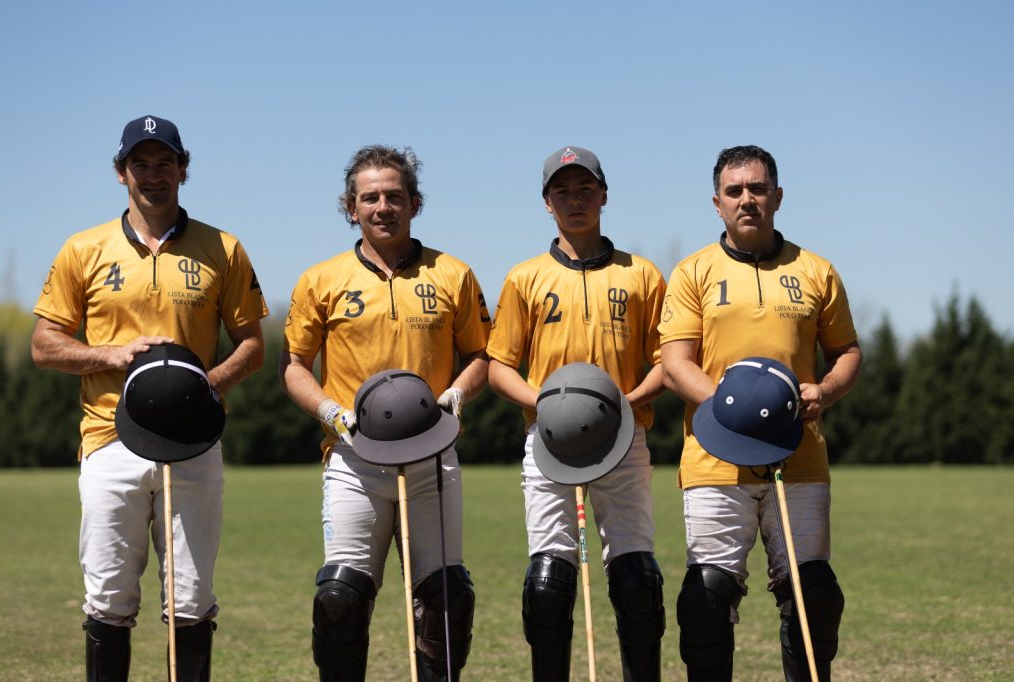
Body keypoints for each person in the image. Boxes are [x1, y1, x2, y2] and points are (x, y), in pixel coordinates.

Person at [30, 114, 268, 681]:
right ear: (121, 173)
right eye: (141, 163)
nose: (153, 175)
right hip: (109, 436)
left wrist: (206, 385)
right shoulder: (82, 248)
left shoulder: (223, 247)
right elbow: (44, 345)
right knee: (109, 597)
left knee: (190, 600)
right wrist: (110, 355)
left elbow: (253, 346)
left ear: (184, 170)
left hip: (193, 442)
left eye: (165, 163)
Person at [279, 145, 490, 681]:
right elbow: (295, 366)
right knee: (341, 596)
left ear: (415, 203)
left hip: (432, 458)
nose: (382, 207)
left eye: (394, 196)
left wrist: (458, 395)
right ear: (351, 208)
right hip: (354, 458)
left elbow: (481, 356)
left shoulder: (454, 274)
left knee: (446, 598)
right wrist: (330, 411)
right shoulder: (320, 280)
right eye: (369, 198)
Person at [659, 145, 862, 681]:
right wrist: (733, 413)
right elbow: (675, 362)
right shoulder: (693, 272)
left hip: (798, 458)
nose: (746, 199)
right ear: (717, 202)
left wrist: (828, 389)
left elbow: (847, 352)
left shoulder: (816, 271)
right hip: (713, 460)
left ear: (777, 195)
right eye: (734, 191)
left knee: (812, 597)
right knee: (705, 601)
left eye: (756, 188)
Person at [487, 146, 668, 681]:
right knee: (548, 582)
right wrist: (542, 407)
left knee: (637, 580)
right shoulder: (525, 278)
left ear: (604, 195)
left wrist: (627, 405)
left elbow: (666, 361)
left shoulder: (643, 275)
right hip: (549, 444)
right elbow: (500, 365)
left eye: (585, 189)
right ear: (546, 203)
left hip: (626, 438)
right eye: (562, 191)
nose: (575, 200)